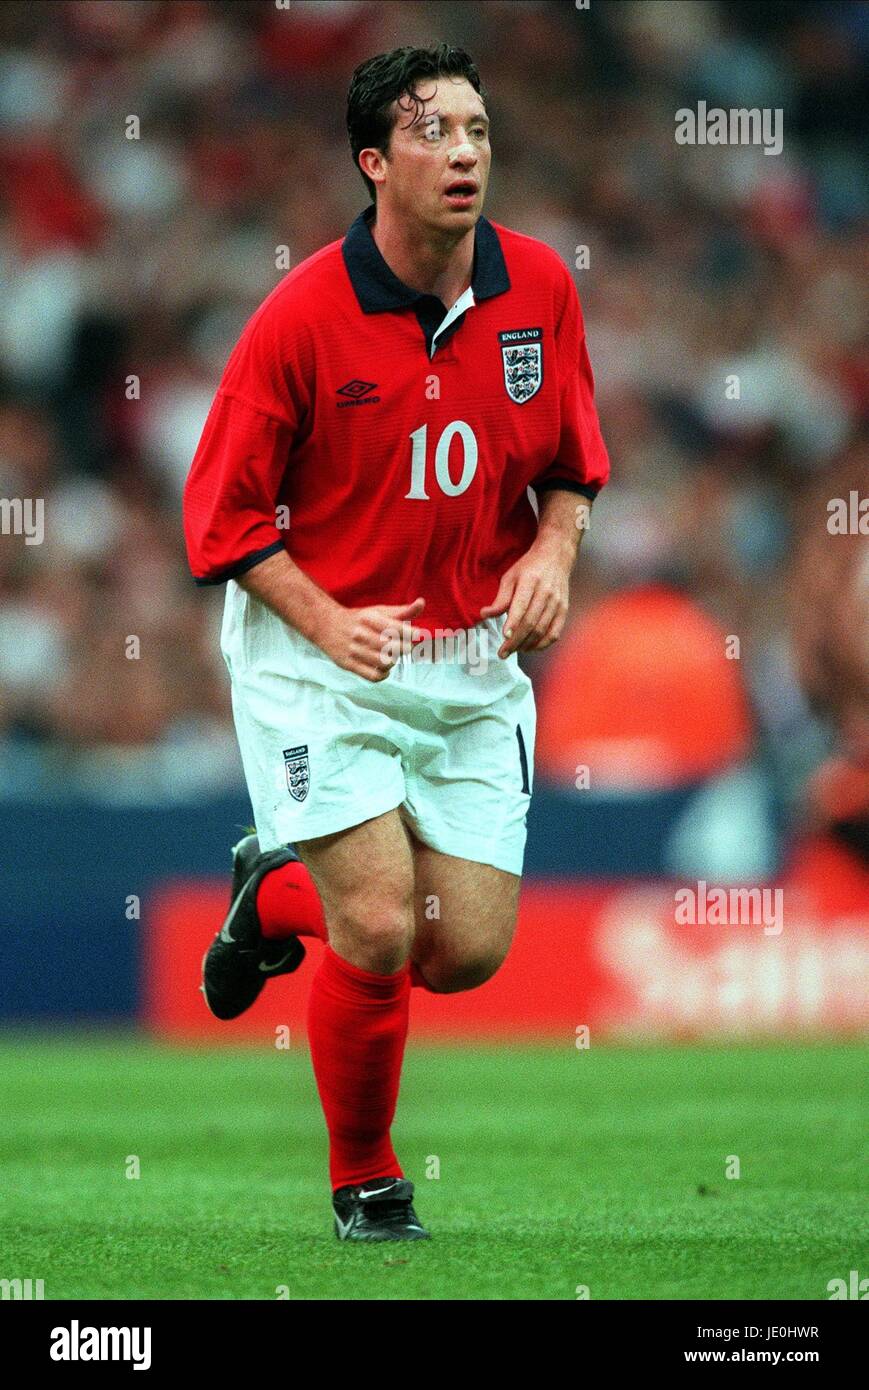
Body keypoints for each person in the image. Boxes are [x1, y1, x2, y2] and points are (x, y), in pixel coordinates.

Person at [182, 43, 609, 1242]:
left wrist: (551, 553)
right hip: (318, 655)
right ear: (374, 161)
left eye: (476, 128)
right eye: (432, 131)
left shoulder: (540, 289)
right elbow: (218, 518)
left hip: (469, 661)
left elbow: (574, 462)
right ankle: (364, 1181)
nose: (464, 151)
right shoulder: (299, 318)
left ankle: (270, 897)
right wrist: (325, 620)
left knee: (459, 950)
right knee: (373, 924)